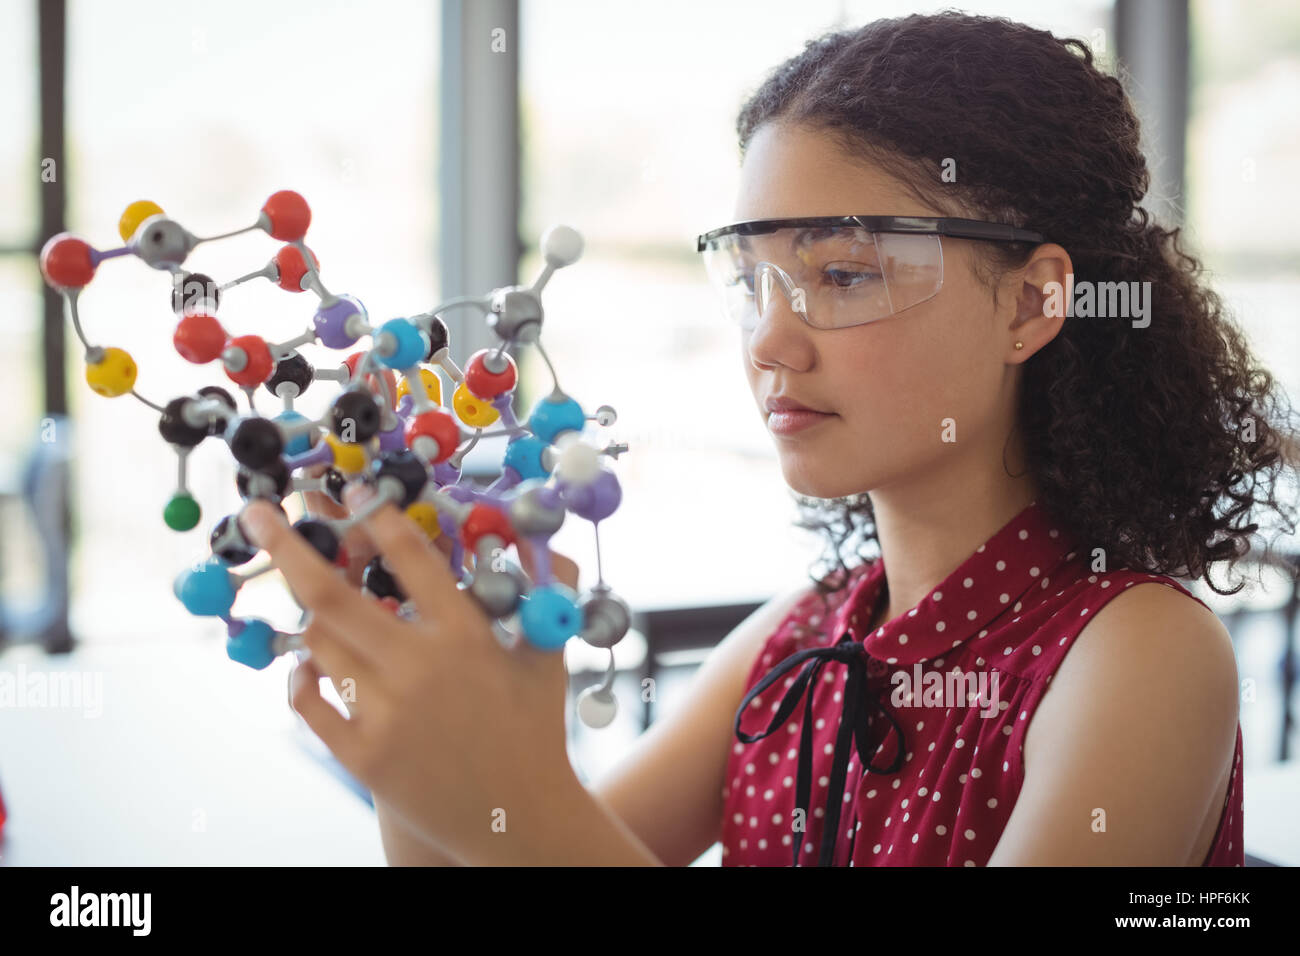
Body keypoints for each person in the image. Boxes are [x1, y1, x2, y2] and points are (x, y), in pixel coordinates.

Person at [240, 11, 1297, 866]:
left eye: (842, 274)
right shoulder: (797, 638)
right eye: (753, 284)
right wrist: (424, 733)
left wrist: (512, 794)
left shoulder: (1141, 652)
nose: (771, 342)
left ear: (1031, 303)